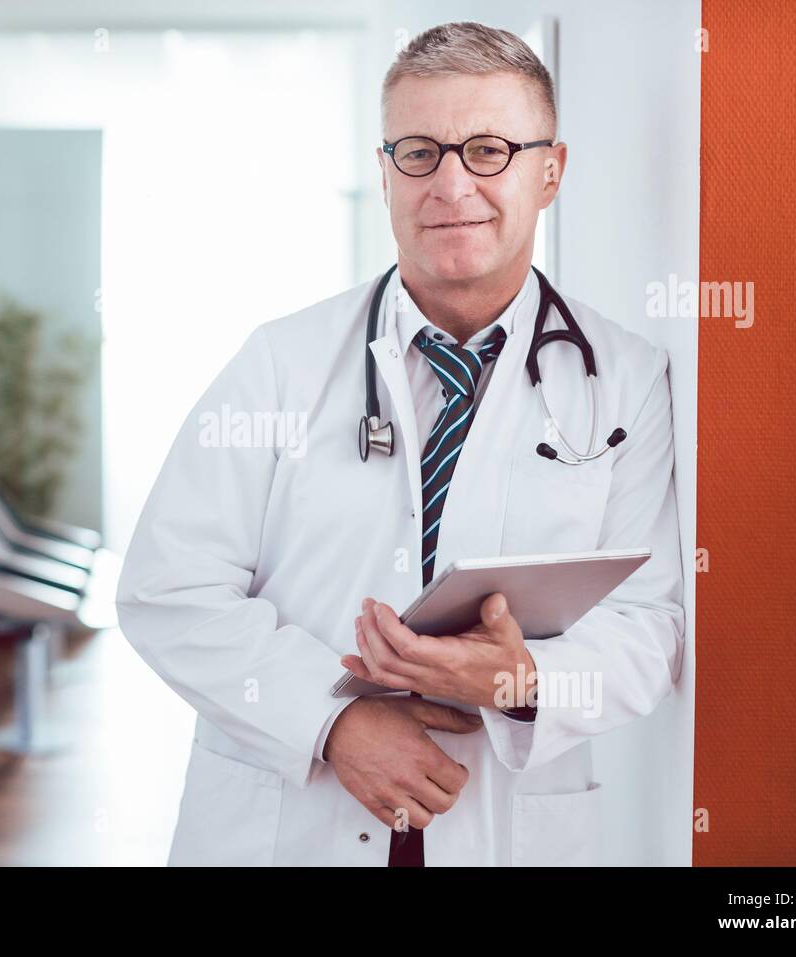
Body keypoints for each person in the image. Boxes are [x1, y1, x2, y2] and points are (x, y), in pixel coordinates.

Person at [116, 20, 685, 867]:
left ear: (550, 171)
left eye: (489, 149)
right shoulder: (281, 362)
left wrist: (523, 682)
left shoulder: (626, 380)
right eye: (418, 151)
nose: (451, 184)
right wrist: (330, 718)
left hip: (509, 825)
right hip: (291, 822)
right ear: (385, 174)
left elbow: (651, 624)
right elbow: (168, 587)